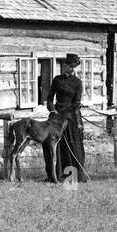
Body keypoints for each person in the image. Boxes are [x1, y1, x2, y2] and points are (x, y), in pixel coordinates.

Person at [46, 53, 88, 182]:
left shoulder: (77, 83)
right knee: (54, 145)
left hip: (71, 117)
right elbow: (49, 99)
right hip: (56, 117)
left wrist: (64, 114)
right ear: (64, 65)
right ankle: (55, 175)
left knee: (73, 145)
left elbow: (77, 103)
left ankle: (74, 175)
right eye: (70, 66)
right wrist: (53, 110)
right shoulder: (57, 80)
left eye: (74, 67)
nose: (72, 69)